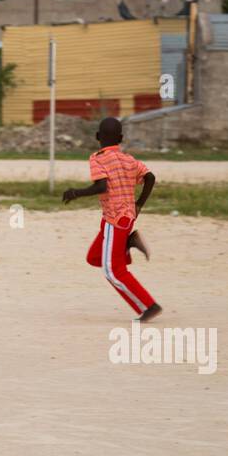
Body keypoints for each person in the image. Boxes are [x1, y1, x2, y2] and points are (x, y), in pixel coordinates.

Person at [62, 116, 161, 321]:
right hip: (126, 218)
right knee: (94, 257)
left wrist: (76, 193)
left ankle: (149, 306)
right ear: (121, 138)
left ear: (98, 137)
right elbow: (150, 178)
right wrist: (140, 203)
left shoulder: (97, 158)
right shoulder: (129, 160)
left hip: (115, 220)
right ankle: (128, 241)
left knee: (112, 271)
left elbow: (101, 187)